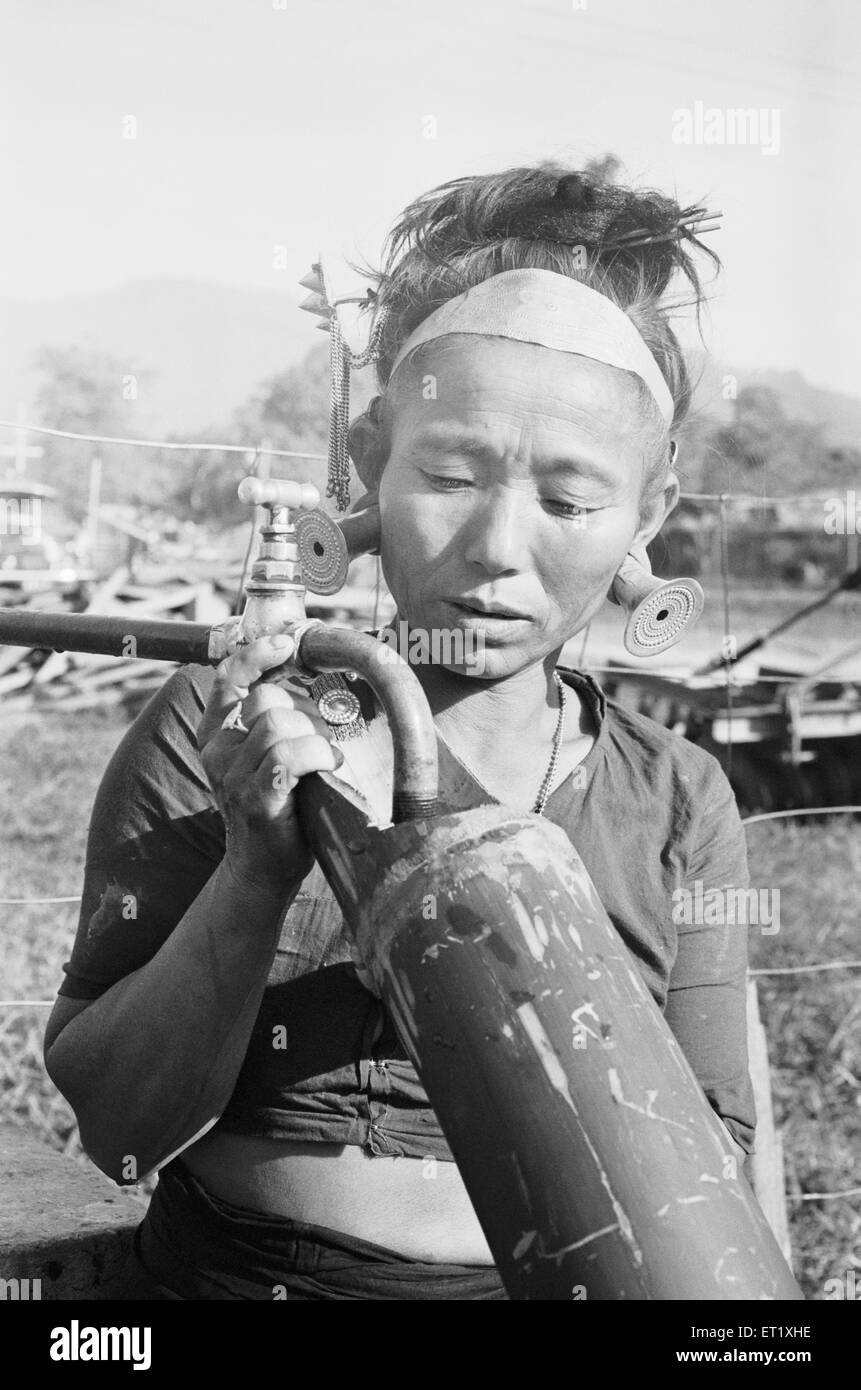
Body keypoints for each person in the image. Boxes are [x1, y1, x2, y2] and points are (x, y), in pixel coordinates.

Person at [43, 163, 754, 1301]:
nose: (496, 549)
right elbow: (118, 1134)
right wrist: (253, 870)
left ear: (648, 515)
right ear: (369, 459)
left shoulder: (674, 799)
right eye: (448, 473)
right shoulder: (226, 723)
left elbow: (717, 1175)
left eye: (569, 502)